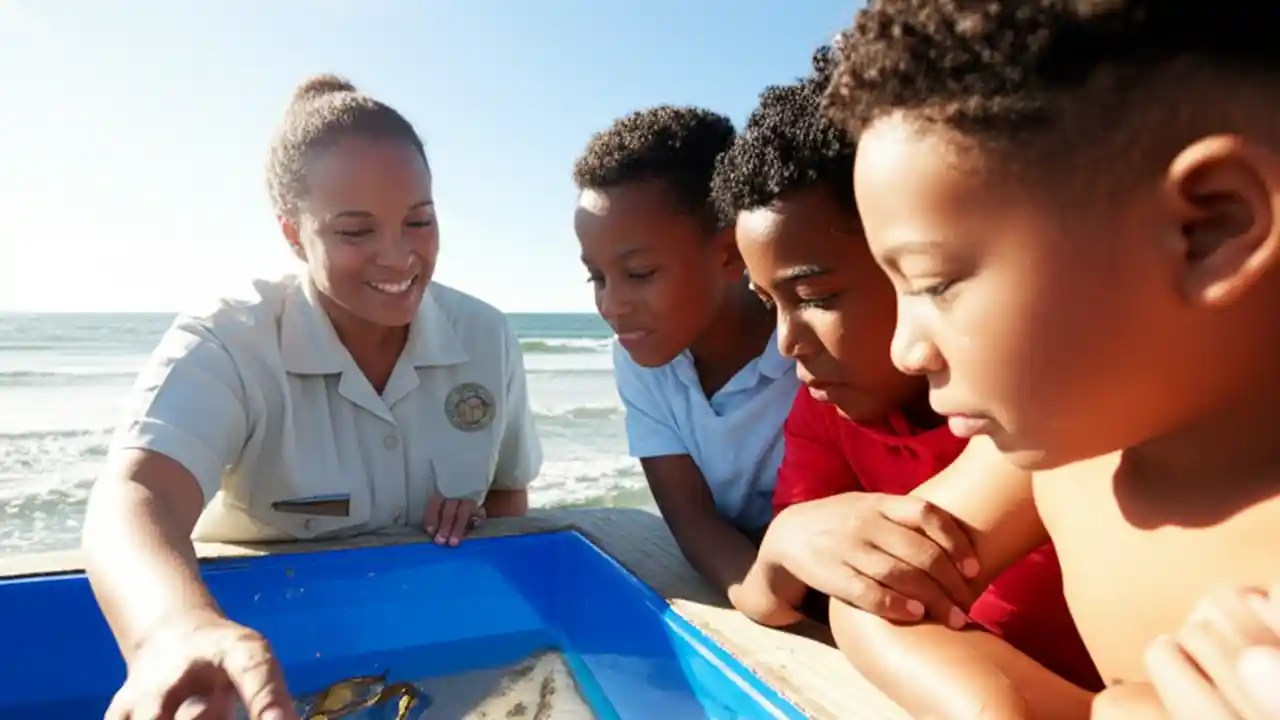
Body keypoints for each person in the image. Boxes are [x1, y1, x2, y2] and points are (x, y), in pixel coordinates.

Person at [815, 2, 1280, 717]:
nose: (906, 350)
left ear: (1209, 228)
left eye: (937, 282)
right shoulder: (1067, 456)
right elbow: (878, 590)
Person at [82, 75, 542, 720]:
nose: (399, 255)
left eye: (420, 220)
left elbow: (506, 497)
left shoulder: (487, 336)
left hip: (434, 666)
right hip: (261, 668)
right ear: (294, 234)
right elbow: (136, 494)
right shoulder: (229, 340)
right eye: (356, 231)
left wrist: (478, 527)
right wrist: (171, 631)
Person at [710, 49, 1100, 694]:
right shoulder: (827, 409)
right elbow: (805, 597)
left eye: (817, 297)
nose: (786, 344)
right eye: (767, 303)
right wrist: (785, 538)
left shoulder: (1055, 423)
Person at [572, 106, 801, 594]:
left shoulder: (804, 351)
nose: (611, 305)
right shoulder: (641, 357)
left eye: (639, 274)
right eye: (596, 276)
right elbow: (691, 520)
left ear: (728, 253)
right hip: (756, 584)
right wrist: (767, 603)